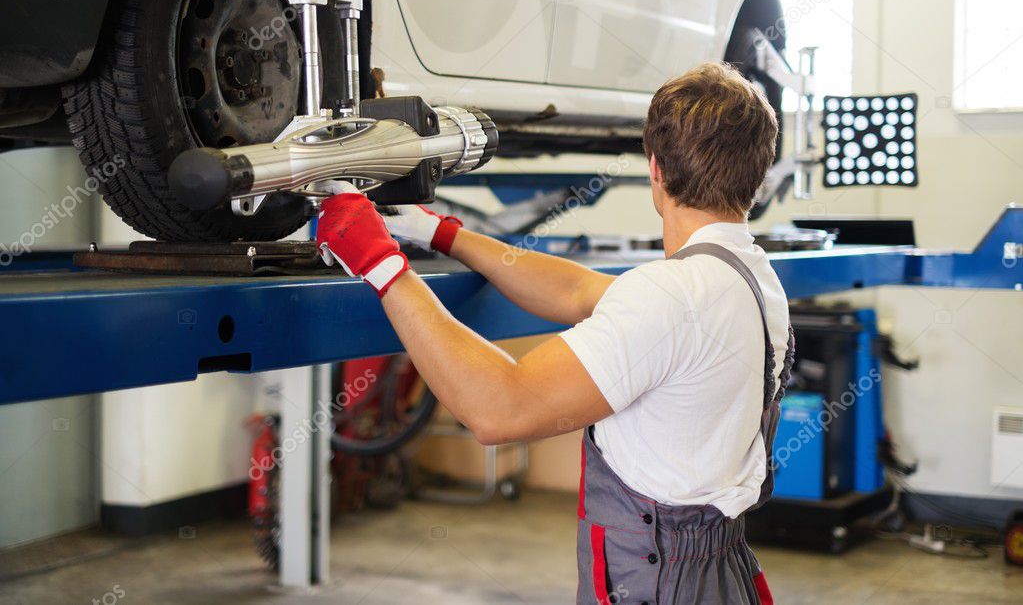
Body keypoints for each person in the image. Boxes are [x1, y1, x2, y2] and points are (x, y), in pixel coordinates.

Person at [316, 62, 792, 604]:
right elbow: (578, 292)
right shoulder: (749, 276)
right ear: (756, 174)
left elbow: (499, 409)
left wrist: (382, 265)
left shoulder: (670, 296)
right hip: (720, 573)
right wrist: (441, 233)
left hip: (656, 583)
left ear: (655, 170)